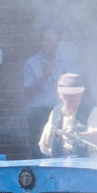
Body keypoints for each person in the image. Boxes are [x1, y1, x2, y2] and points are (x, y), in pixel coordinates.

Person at [22, 28, 76, 156]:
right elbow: (28, 94)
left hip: (59, 111)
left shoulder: (65, 62)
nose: (47, 44)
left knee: (60, 149)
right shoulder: (32, 63)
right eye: (45, 41)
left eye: (51, 41)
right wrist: (44, 76)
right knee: (39, 151)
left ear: (57, 43)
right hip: (38, 113)